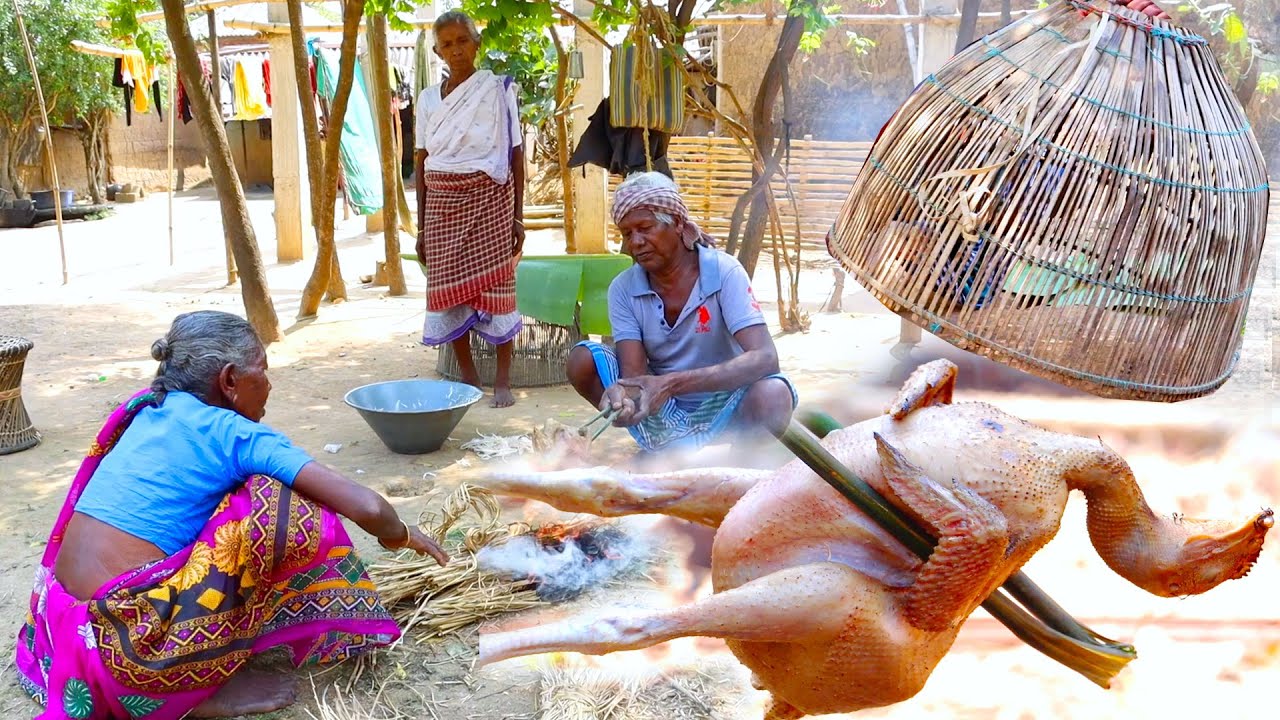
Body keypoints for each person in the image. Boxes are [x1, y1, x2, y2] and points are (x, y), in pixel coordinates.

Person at [15, 311, 449, 720]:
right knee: (278, 502)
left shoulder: (149, 410)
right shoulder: (235, 434)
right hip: (132, 656)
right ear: (230, 380)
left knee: (229, 500)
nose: (270, 384)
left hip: (63, 632)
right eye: (263, 369)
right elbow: (367, 507)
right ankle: (194, 685)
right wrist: (402, 535)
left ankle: (184, 652)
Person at [566, 172, 797, 454]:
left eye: (645, 228)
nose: (635, 242)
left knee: (773, 394)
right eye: (627, 233)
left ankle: (737, 461)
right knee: (583, 359)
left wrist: (672, 384)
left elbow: (765, 358)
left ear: (676, 223)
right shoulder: (623, 289)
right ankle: (667, 448)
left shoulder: (724, 272)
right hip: (666, 410)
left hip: (727, 399)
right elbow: (635, 376)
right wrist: (624, 397)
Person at [414, 9, 525, 408]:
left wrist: (517, 215)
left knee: (499, 290)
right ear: (437, 51)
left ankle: (502, 380)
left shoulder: (499, 90)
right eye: (447, 44)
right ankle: (469, 378)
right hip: (442, 203)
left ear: (477, 43)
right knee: (447, 293)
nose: (456, 50)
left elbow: (515, 155)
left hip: (490, 200)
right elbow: (421, 160)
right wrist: (422, 225)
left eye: (463, 40)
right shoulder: (428, 99)